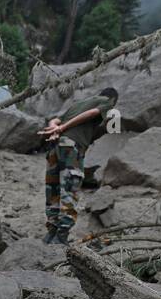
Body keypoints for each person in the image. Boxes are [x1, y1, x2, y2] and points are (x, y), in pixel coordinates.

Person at [38, 86, 118, 245]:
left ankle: (51, 232)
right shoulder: (108, 103)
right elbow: (92, 114)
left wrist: (55, 126)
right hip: (71, 146)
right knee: (69, 188)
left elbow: (55, 119)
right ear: (113, 100)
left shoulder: (80, 103)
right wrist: (62, 128)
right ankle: (61, 235)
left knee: (53, 187)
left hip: (56, 146)